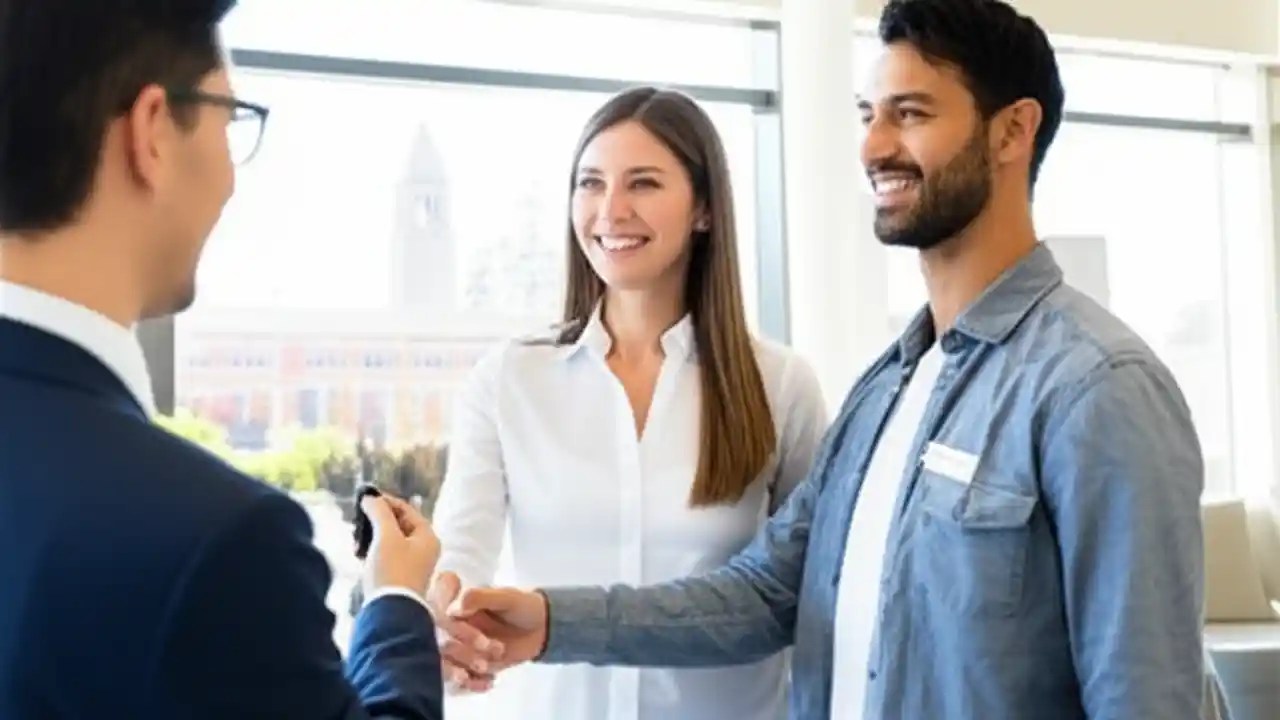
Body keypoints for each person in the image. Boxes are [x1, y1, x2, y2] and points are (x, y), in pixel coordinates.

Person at [435, 1, 1207, 718]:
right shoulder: (884, 393)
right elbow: (768, 592)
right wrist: (551, 622)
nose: (873, 147)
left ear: (1012, 131)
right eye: (868, 116)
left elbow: (1144, 695)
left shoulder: (1096, 388)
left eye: (910, 114)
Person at [0, 2, 471, 717]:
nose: (229, 176)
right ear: (152, 131)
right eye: (230, 119)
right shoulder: (220, 540)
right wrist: (396, 601)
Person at [428, 86, 829, 720]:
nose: (610, 210)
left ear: (703, 210)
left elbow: (807, 596)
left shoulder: (780, 385)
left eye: (642, 183)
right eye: (590, 184)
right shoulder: (509, 380)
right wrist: (444, 617)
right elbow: (459, 549)